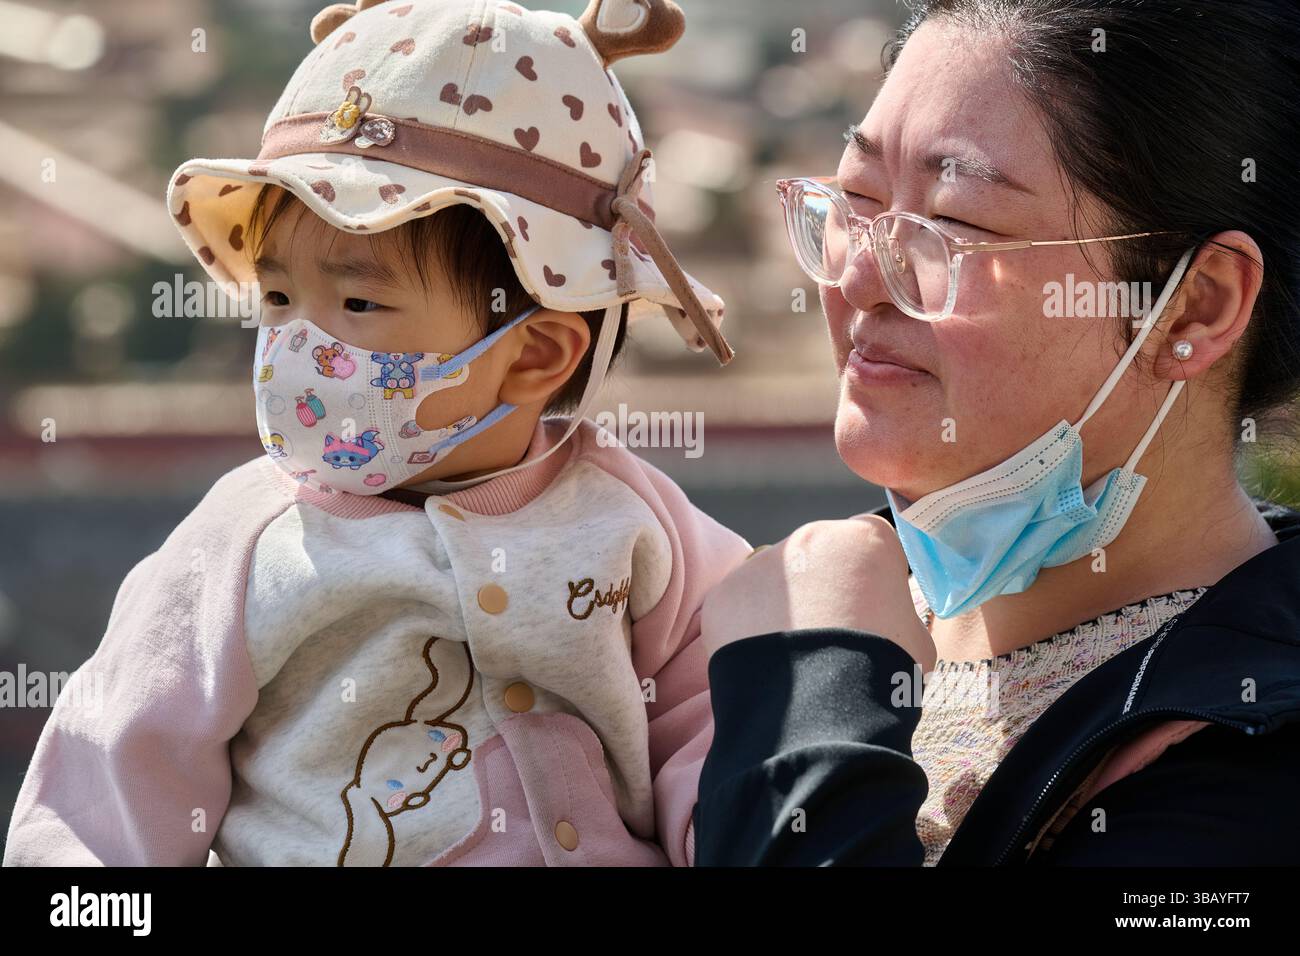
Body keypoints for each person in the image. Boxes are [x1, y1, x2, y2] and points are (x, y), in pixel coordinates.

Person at [3, 0, 750, 867]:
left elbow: (714, 722)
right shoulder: (241, 549)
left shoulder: (641, 526)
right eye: (278, 298)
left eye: (358, 302)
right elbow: (108, 801)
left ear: (535, 353)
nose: (297, 345)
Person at [693, 0, 1300, 865]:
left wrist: (809, 702)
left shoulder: (1256, 753)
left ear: (1191, 308)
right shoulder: (772, 618)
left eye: (953, 224)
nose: (859, 274)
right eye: (856, 199)